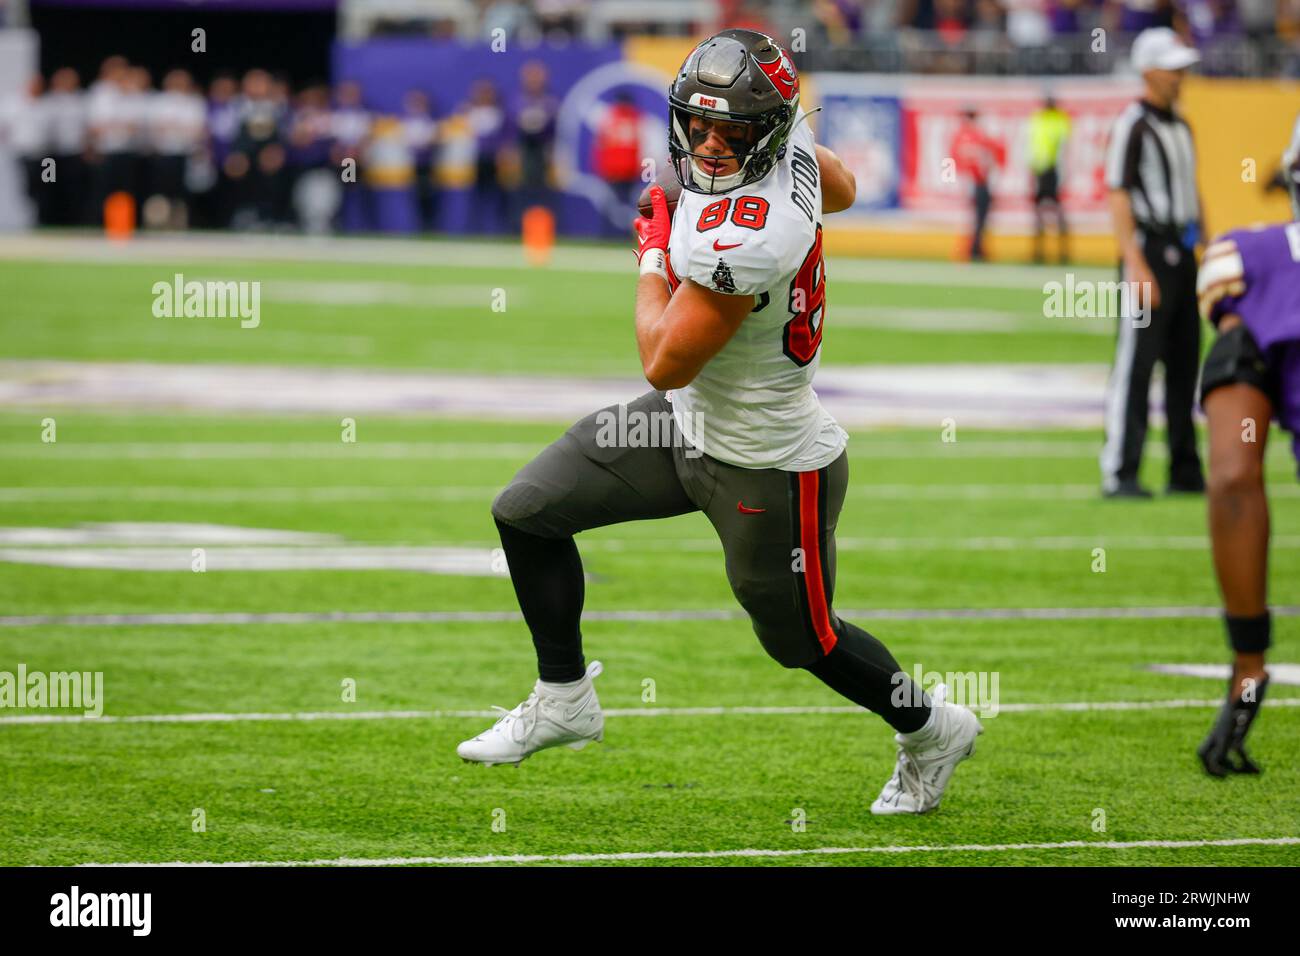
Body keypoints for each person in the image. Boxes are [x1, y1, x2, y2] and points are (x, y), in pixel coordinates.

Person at [457, 29, 983, 816]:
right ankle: (564, 696)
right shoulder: (789, 137)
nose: (707, 143)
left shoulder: (749, 237)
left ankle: (931, 724)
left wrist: (651, 251)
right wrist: (778, 145)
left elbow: (664, 359)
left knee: (806, 643)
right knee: (527, 511)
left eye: (730, 130)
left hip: (766, 462)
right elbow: (835, 187)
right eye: (697, 125)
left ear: (764, 127)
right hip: (680, 429)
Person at [1192, 115, 1300, 776]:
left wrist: (1249, 661)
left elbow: (1233, 476)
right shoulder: (1256, 262)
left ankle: (1249, 668)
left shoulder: (1252, 263)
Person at [1099, 27, 1206, 498]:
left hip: (1182, 252)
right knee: (1137, 364)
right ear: (1148, 71)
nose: (1181, 76)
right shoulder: (1132, 124)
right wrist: (1135, 263)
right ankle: (1122, 470)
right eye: (1173, 67)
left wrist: (1204, 245)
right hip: (1148, 251)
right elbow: (1118, 193)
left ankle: (1184, 468)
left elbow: (1192, 193)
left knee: (1186, 363)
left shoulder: (1182, 126)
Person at [949, 106, 1006, 262]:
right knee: (977, 220)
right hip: (976, 182)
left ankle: (973, 250)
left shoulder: (963, 136)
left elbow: (952, 160)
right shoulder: (980, 136)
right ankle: (973, 251)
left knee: (975, 220)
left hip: (974, 182)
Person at [1027, 93, 1071, 264]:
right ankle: (1038, 252)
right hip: (1040, 170)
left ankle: (1062, 252)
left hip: (1053, 171)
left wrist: (1063, 175)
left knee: (1057, 213)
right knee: (1039, 213)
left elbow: (1064, 149)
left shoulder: (1060, 120)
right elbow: (1031, 146)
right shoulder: (1038, 119)